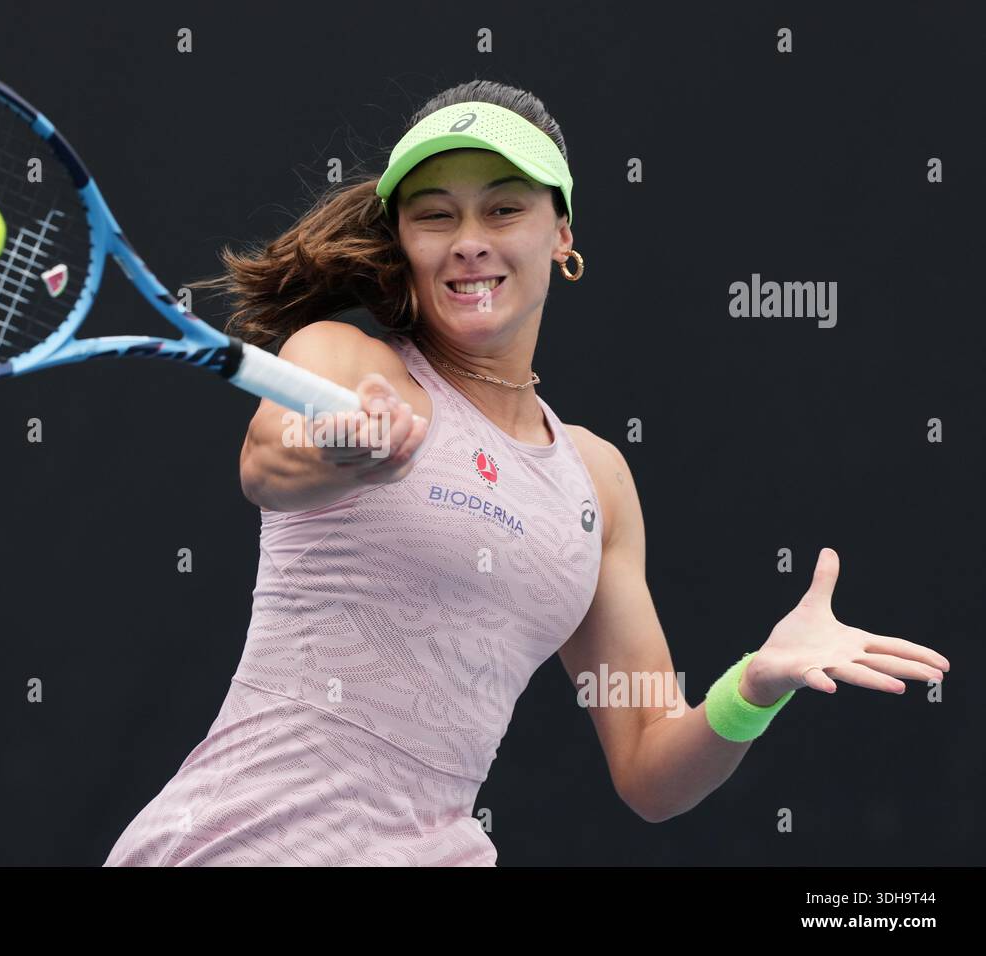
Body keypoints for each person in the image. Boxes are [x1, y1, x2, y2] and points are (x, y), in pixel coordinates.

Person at [103, 80, 950, 866]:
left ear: (562, 234)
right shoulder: (345, 359)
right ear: (403, 242)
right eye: (435, 216)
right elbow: (268, 463)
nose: (470, 243)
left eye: (504, 209)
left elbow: (653, 768)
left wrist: (755, 685)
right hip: (234, 847)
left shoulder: (597, 481)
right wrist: (343, 451)